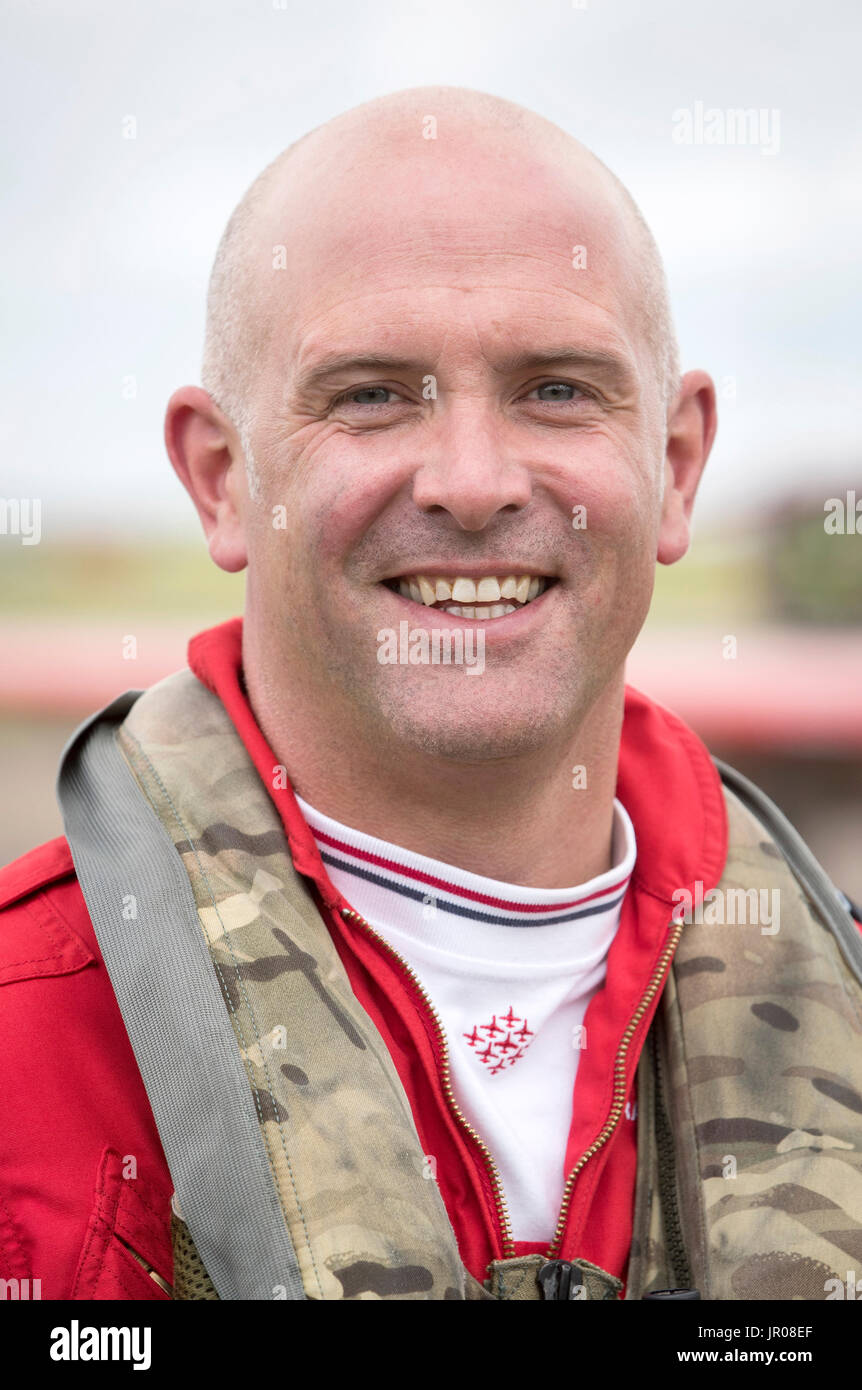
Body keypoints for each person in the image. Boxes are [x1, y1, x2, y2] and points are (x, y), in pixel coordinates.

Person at [2, 85, 861, 1304]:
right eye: (369, 394)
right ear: (221, 479)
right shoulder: (20, 1036)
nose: (470, 481)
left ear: (673, 468)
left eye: (557, 388)